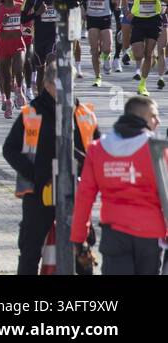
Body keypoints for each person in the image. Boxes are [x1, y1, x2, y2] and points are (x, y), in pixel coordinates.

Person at [2, 56, 98, 274]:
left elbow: (98, 151)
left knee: (81, 249)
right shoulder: (32, 112)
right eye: (63, 85)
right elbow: (10, 149)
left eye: (72, 84)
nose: (68, 90)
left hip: (75, 191)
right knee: (30, 250)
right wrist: (34, 174)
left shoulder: (83, 113)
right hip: (38, 192)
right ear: (47, 84)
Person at [70, 95, 166, 274]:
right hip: (150, 234)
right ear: (141, 117)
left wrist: (78, 237)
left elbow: (84, 196)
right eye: (153, 115)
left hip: (114, 234)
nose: (158, 121)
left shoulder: (98, 149)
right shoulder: (157, 149)